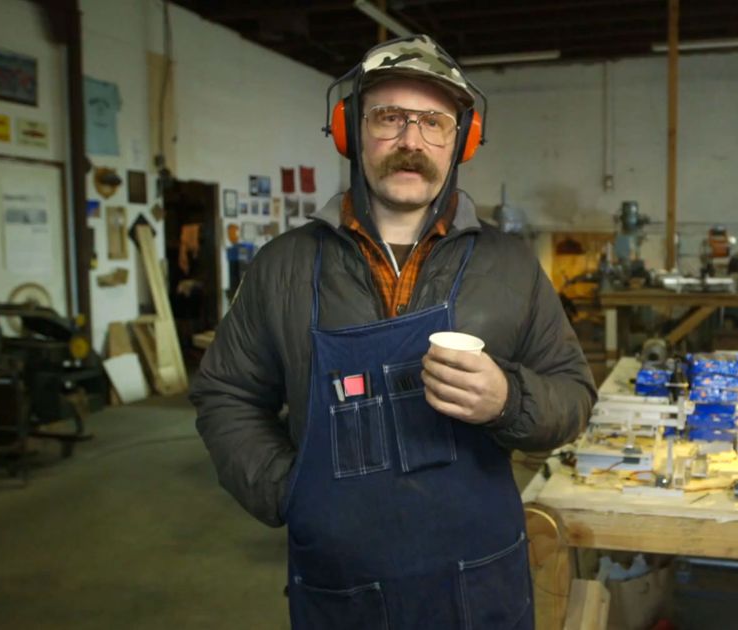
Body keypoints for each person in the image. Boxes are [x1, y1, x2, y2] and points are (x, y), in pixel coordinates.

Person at [190, 34, 596, 629]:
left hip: (480, 582)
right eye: (389, 117)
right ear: (351, 129)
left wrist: (509, 398)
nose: (412, 141)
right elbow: (225, 394)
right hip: (339, 586)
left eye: (434, 122)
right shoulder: (284, 266)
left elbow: (575, 395)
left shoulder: (510, 267)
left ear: (464, 139)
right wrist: (288, 490)